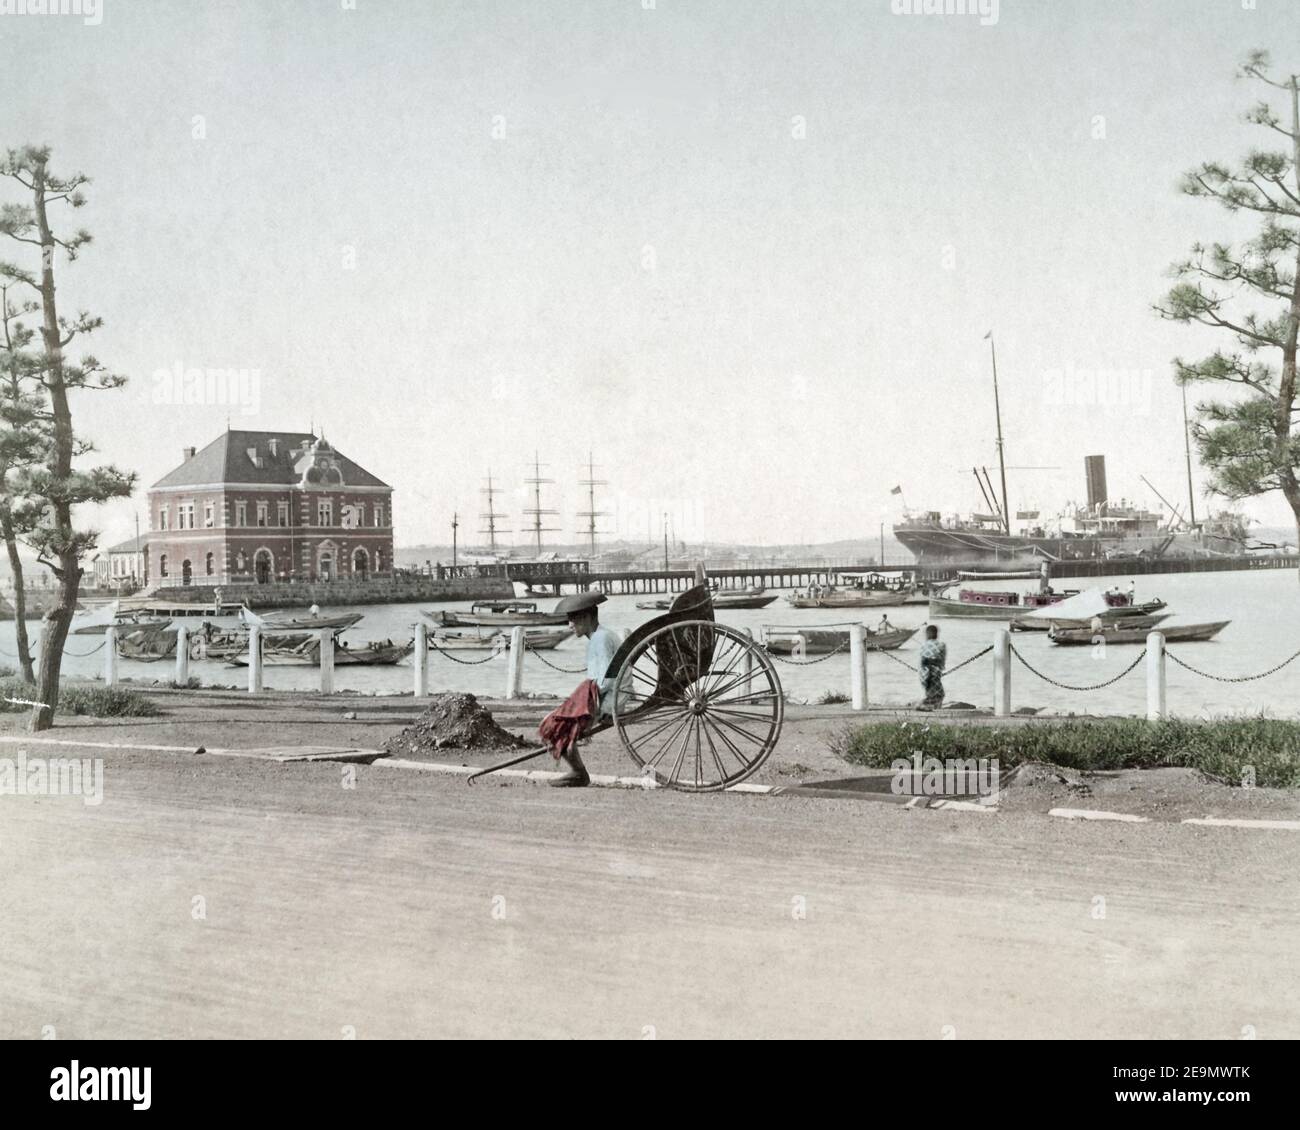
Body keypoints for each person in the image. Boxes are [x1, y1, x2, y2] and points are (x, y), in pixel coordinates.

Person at [538, 591, 620, 787]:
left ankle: (578, 773)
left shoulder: (601, 638)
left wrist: (585, 702)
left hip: (608, 698)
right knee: (555, 720)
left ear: (586, 617)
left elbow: (607, 680)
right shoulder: (600, 636)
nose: (569, 625)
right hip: (604, 694)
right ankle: (577, 771)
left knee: (553, 724)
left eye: (572, 619)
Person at [917, 625, 947, 710]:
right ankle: (925, 705)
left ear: (927, 635)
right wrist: (941, 668)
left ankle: (929, 705)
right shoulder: (942, 645)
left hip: (923, 674)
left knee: (931, 692)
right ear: (937, 634)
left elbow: (921, 661)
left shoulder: (923, 645)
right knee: (940, 694)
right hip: (934, 673)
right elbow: (942, 660)